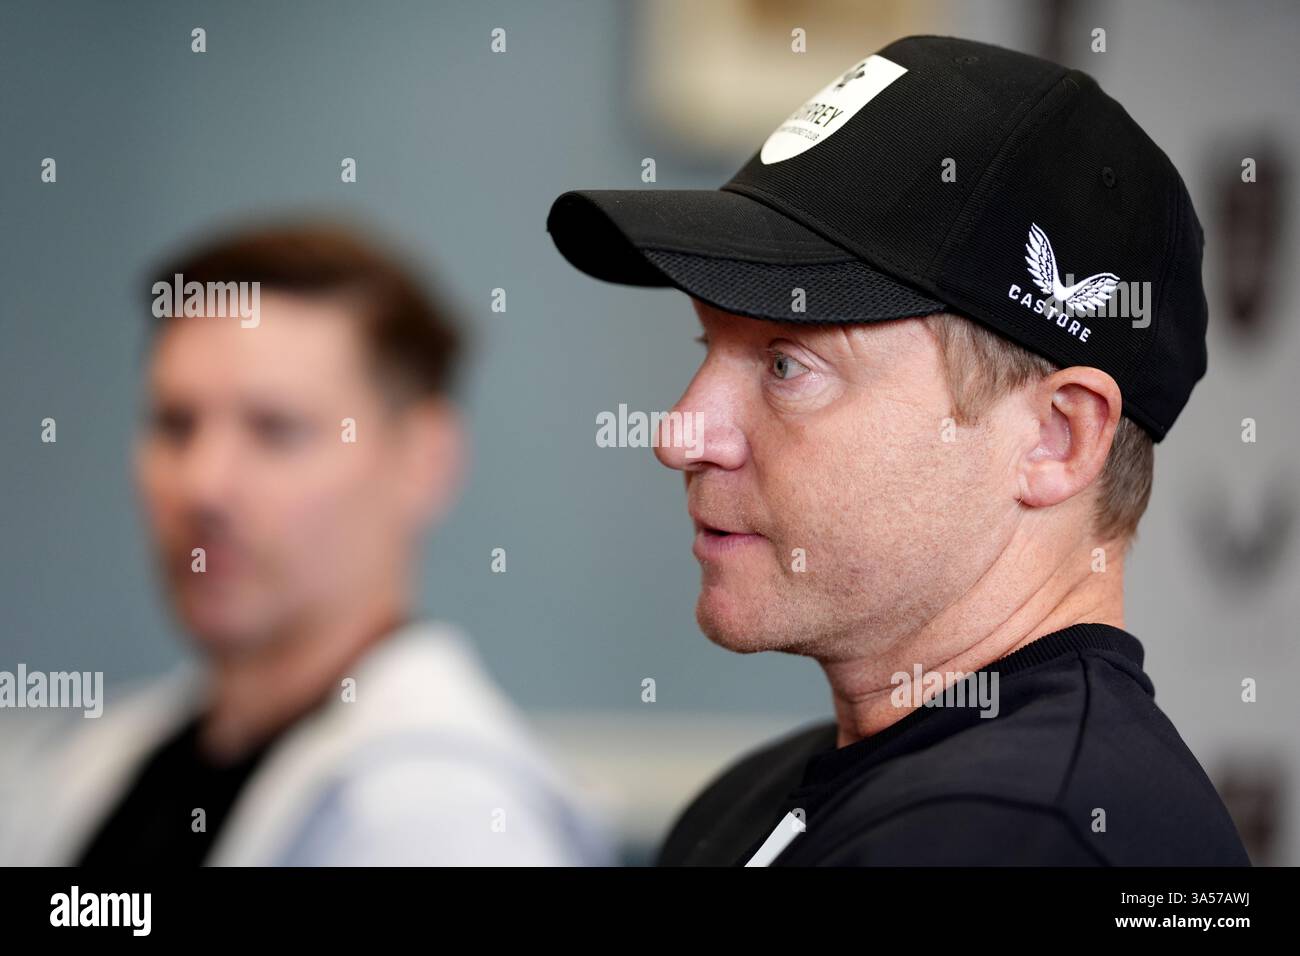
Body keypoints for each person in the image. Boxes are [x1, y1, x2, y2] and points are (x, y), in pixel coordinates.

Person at [545, 35, 1249, 865]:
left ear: (1057, 438)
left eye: (786, 365)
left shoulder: (1013, 834)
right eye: (708, 347)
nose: (679, 433)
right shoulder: (763, 801)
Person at [3, 222, 611, 866]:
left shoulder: (448, 820)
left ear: (425, 459)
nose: (204, 487)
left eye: (277, 430)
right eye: (175, 426)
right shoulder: (97, 768)